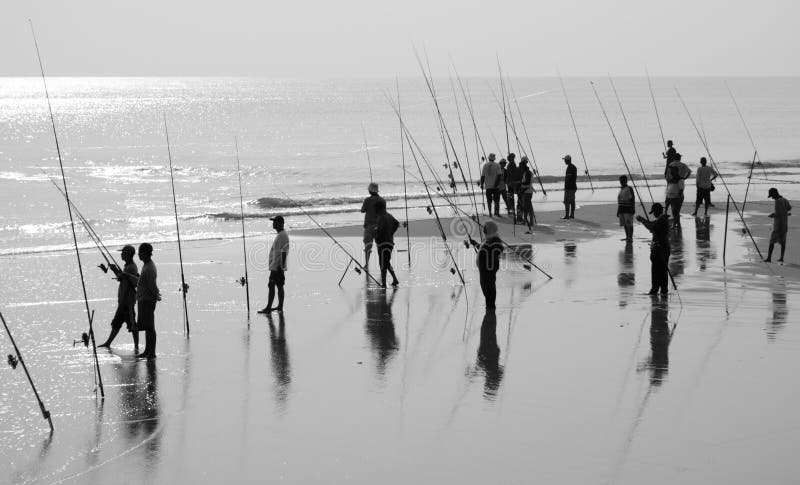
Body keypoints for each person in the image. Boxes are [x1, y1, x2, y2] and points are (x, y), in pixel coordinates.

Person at [98, 245, 140, 350]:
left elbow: (127, 284)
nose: (121, 254)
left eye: (123, 253)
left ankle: (136, 346)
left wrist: (123, 301)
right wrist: (114, 270)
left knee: (132, 325)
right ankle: (108, 342)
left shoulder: (131, 267)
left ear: (128, 254)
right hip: (123, 301)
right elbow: (122, 278)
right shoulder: (128, 266)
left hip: (127, 302)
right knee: (116, 323)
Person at [637, 203, 671, 295]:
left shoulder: (661, 220)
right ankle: (663, 290)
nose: (654, 214)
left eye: (654, 212)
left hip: (660, 248)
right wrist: (643, 220)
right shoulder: (662, 219)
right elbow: (653, 225)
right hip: (664, 247)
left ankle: (655, 290)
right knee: (662, 270)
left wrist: (642, 220)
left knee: (657, 270)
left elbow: (651, 227)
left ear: (658, 211)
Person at [470, 221, 504, 309]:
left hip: (488, 270)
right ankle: (490, 312)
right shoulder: (489, 239)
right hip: (484, 270)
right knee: (487, 291)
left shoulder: (495, 239)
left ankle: (490, 313)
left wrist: (488, 255)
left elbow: (498, 249)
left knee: (488, 291)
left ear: (490, 230)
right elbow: (486, 247)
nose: (483, 231)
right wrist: (476, 244)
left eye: (485, 229)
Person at [259, 215, 289, 313]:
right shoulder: (281, 235)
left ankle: (269, 307)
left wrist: (281, 266)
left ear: (281, 224)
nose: (273, 223)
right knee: (279, 285)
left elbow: (284, 251)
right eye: (273, 222)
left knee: (272, 285)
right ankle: (279, 306)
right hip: (277, 265)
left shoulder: (282, 235)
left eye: (275, 222)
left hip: (277, 266)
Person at [136, 243, 161, 359]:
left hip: (147, 300)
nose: (138, 254)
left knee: (150, 327)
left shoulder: (149, 267)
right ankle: (147, 350)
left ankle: (152, 352)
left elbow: (152, 285)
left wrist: (156, 295)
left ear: (146, 253)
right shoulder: (146, 265)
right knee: (147, 326)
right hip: (144, 299)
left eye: (140, 252)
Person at [375, 199, 400, 288]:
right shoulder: (389, 216)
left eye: (376, 209)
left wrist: (377, 236)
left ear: (379, 209)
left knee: (382, 264)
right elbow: (397, 223)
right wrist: (392, 232)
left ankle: (384, 284)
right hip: (389, 242)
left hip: (383, 243)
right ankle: (395, 279)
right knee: (386, 262)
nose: (375, 211)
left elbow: (380, 230)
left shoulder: (381, 217)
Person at [360, 183, 385, 269]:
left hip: (369, 226)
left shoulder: (367, 200)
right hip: (380, 226)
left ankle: (367, 265)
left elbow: (362, 210)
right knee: (380, 246)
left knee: (368, 246)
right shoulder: (382, 200)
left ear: (370, 191)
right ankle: (382, 264)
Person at [765, 188, 792, 263]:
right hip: (784, 225)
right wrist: (785, 213)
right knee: (783, 242)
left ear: (775, 193)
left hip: (778, 226)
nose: (772, 198)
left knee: (771, 242)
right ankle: (781, 258)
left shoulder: (777, 201)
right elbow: (789, 208)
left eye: (772, 196)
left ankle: (769, 258)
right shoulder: (785, 199)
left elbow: (778, 214)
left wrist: (773, 215)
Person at [617, 175, 635, 242]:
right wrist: (618, 211)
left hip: (628, 209)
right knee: (624, 224)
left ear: (626, 181)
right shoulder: (621, 189)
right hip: (622, 209)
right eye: (620, 181)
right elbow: (619, 202)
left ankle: (630, 237)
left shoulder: (629, 188)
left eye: (623, 180)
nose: (621, 182)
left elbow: (632, 199)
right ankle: (627, 236)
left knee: (629, 224)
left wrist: (633, 208)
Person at [518, 156, 535, 233]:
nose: (520, 167)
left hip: (527, 191)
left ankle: (527, 221)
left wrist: (520, 184)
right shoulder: (526, 172)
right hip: (528, 191)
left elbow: (527, 183)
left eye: (521, 165)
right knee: (529, 206)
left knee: (527, 207)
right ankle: (529, 221)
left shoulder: (527, 172)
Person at [506, 153, 521, 219]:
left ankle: (512, 209)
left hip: (511, 183)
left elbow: (512, 173)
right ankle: (512, 209)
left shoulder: (511, 164)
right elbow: (512, 173)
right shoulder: (511, 164)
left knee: (511, 196)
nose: (512, 158)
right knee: (511, 196)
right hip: (512, 183)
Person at [562, 154, 577, 219]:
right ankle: (572, 215)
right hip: (573, 187)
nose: (564, 161)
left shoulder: (570, 168)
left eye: (565, 160)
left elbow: (569, 178)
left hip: (569, 188)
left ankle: (567, 215)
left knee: (567, 201)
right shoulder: (574, 167)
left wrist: (566, 187)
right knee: (572, 201)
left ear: (567, 160)